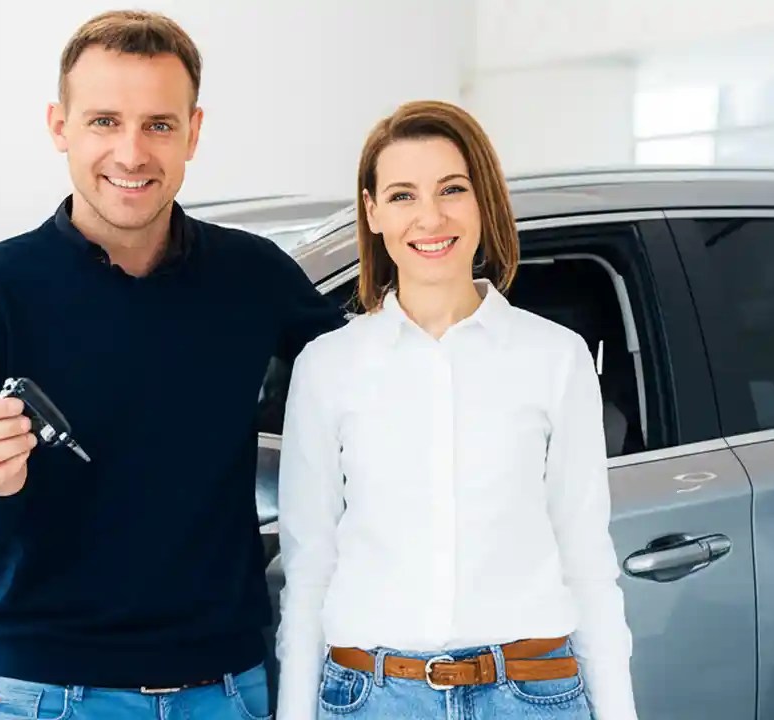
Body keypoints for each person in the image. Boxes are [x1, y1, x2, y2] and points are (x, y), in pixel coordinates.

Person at [0, 9, 346, 720]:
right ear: (60, 127)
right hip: (53, 697)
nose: (132, 152)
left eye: (159, 125)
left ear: (194, 133)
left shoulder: (254, 278)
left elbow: (379, 394)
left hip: (229, 691)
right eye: (105, 121)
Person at [274, 100, 639, 720]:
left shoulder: (556, 358)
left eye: (451, 189)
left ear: (483, 201)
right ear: (372, 211)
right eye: (402, 195)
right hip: (371, 698)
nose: (430, 217)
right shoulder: (327, 367)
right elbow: (308, 574)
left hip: (531, 695)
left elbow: (588, 564)